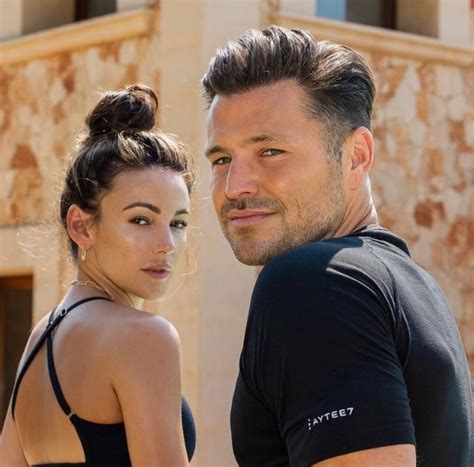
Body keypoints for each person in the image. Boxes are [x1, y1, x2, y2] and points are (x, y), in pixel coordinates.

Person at [202, 26, 472, 466]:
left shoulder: (316, 282)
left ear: (356, 156)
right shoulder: (411, 285)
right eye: (221, 159)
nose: (235, 186)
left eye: (270, 151)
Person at [0, 84, 196, 466]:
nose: (167, 244)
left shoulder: (39, 340)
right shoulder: (145, 337)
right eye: (141, 220)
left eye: (178, 223)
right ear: (81, 226)